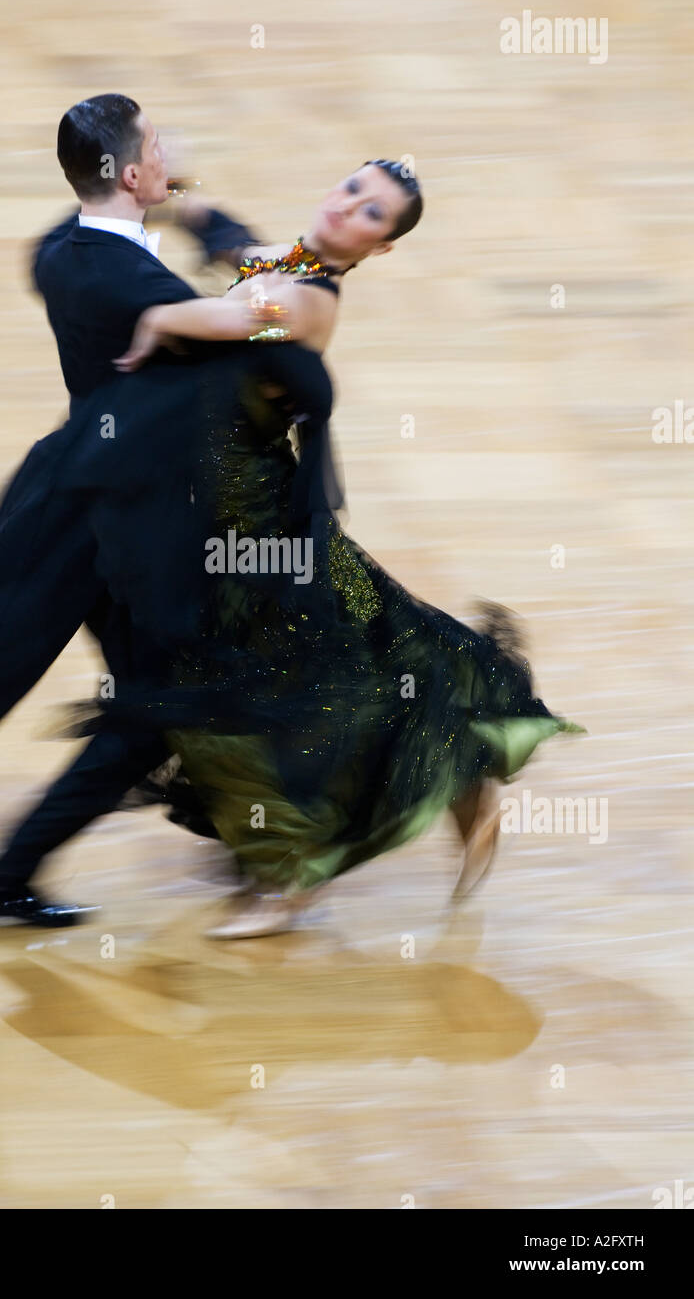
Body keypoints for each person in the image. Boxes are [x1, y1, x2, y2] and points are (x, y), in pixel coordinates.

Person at [67, 158, 580, 938]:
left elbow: (243, 317)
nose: (351, 212)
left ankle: (290, 880)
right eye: (351, 192)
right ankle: (456, 776)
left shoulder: (305, 301)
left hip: (261, 536)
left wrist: (157, 319)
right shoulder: (289, 266)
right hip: (233, 519)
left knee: (276, 690)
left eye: (373, 216)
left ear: (381, 249)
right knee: (372, 649)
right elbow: (239, 250)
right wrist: (179, 203)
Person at [0, 93, 286, 928]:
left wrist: (178, 195)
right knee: (158, 708)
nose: (171, 150)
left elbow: (119, 219)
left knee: (175, 691)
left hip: (87, 491)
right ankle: (4, 879)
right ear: (126, 172)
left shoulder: (65, 245)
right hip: (126, 523)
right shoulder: (126, 286)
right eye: (158, 146)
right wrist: (291, 269)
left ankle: (248, 840)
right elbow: (262, 320)